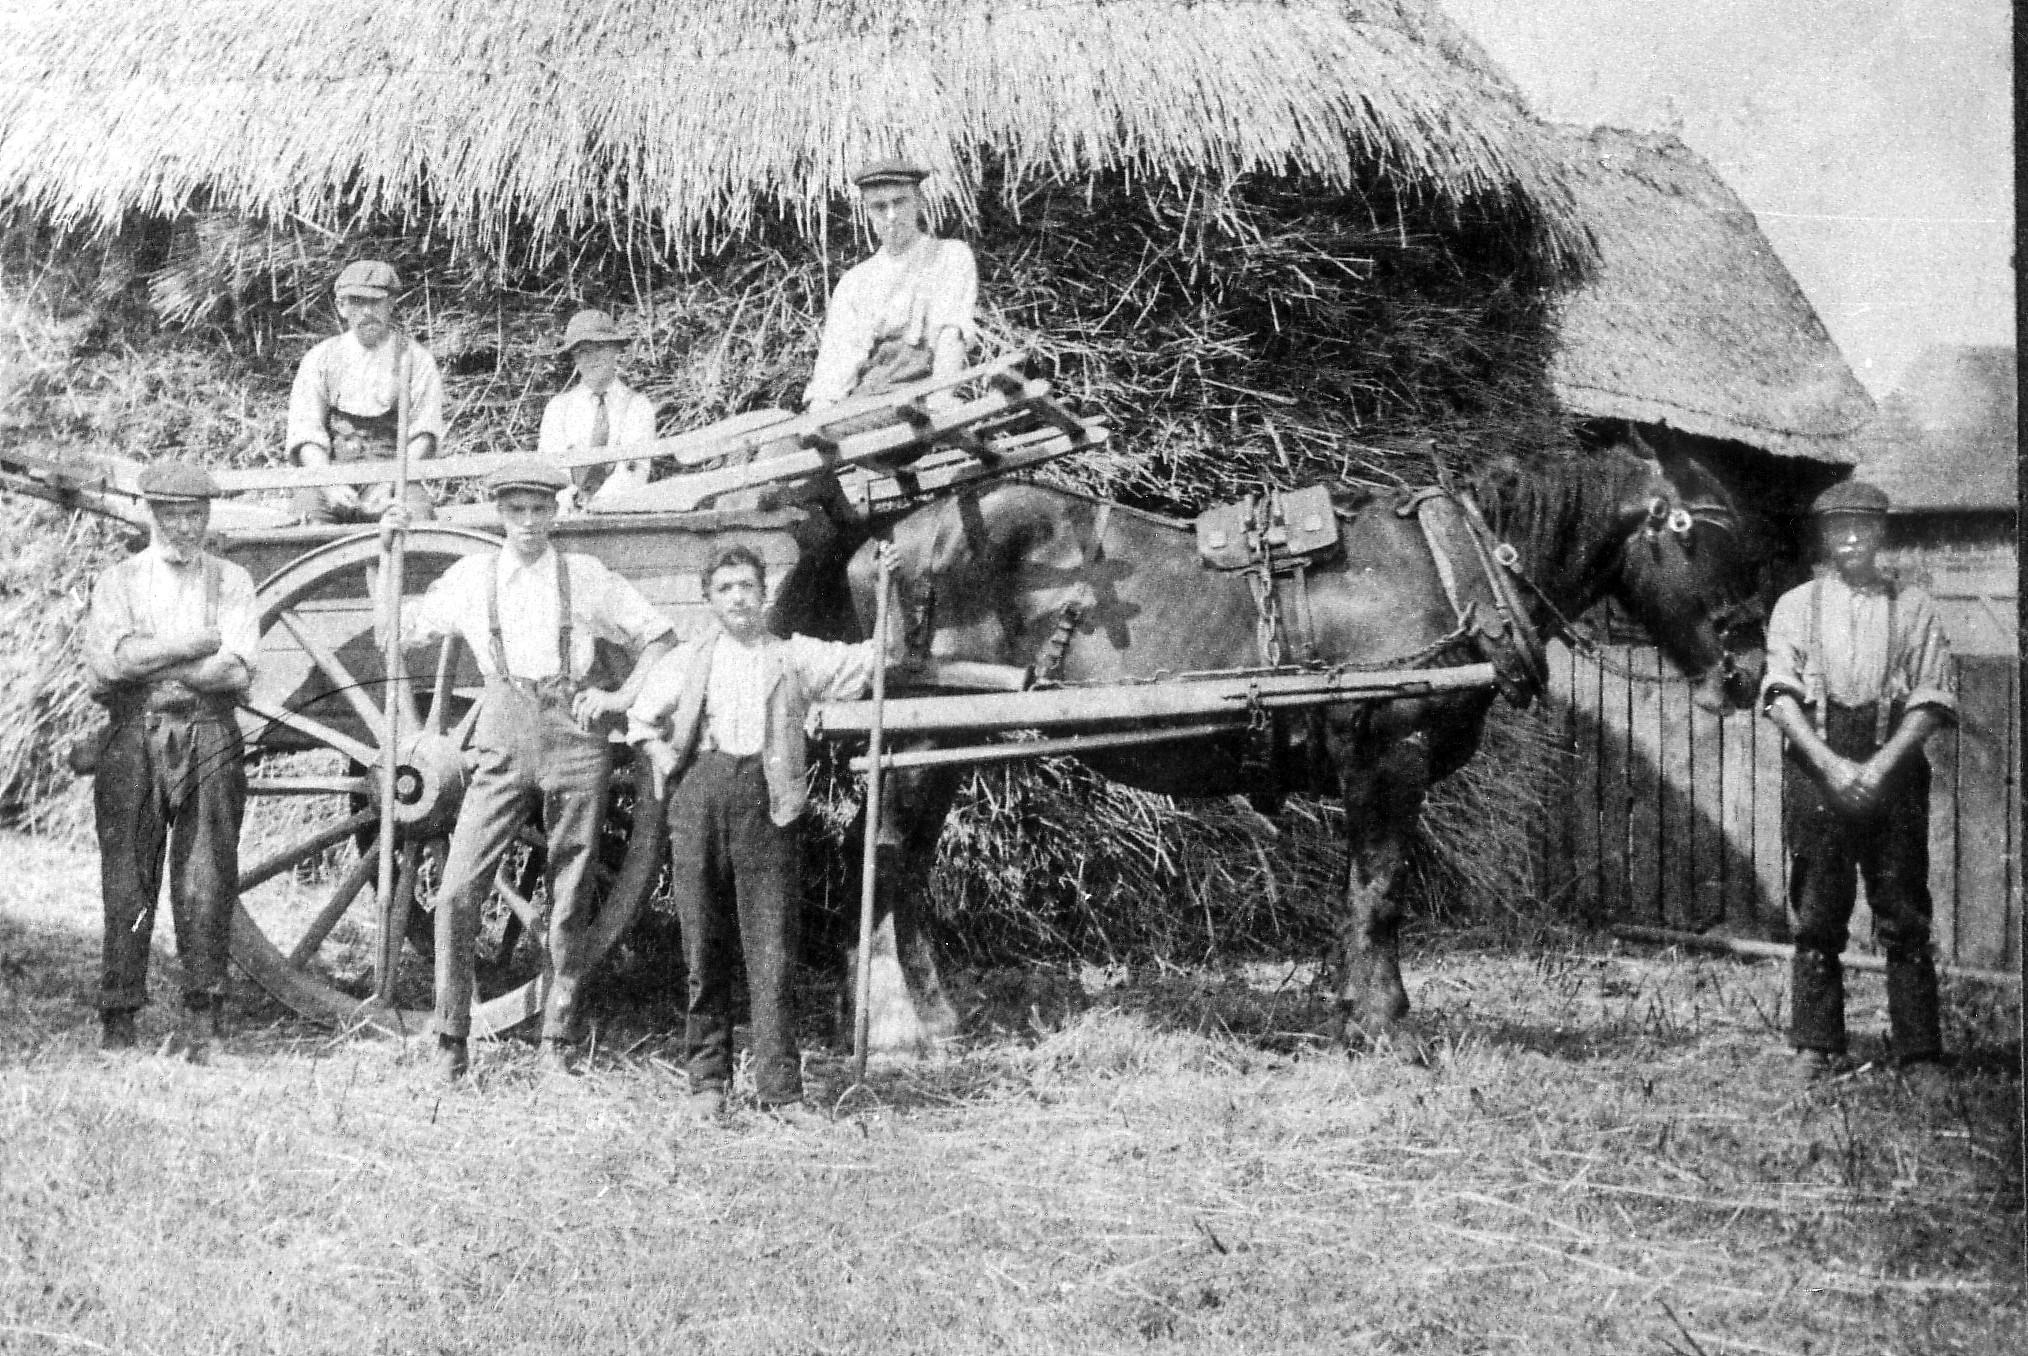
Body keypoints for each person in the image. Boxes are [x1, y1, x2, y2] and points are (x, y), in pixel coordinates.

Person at [385, 457, 677, 1079]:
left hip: (575, 736)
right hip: (502, 730)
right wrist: (390, 550)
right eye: (516, 511)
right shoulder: (471, 577)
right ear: (500, 514)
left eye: (540, 510)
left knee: (571, 891)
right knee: (459, 886)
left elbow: (658, 635)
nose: (528, 524)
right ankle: (450, 1038)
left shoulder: (587, 576)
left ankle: (558, 1041)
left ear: (556, 512)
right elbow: (400, 633)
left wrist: (623, 699)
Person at [626, 540, 906, 1123]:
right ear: (709, 600)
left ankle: (781, 1091)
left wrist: (889, 590)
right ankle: (707, 1083)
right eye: (725, 589)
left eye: (747, 587)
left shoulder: (792, 655)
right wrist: (664, 760)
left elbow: (878, 657)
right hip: (699, 798)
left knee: (772, 952)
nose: (738, 599)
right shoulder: (687, 660)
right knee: (703, 946)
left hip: (769, 804)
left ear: (764, 593)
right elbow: (639, 723)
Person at [1761, 479, 1956, 1089]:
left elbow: (1931, 699)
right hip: (1818, 770)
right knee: (1818, 908)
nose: (1850, 537)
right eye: (1838, 527)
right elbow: (1780, 696)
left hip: (1892, 771)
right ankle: (1817, 1046)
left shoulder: (1916, 607)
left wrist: (1879, 766)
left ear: (1880, 533)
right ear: (1823, 537)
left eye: (1863, 526)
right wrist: (1832, 764)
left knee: (1901, 907)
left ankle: (1920, 1053)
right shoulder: (1795, 605)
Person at [84, 461, 259, 1061]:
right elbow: (111, 667)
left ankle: (204, 1016)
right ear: (149, 516)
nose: (186, 528)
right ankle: (120, 1015)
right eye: (173, 515)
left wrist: (152, 657)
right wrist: (192, 648)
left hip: (210, 733)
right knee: (128, 877)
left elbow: (234, 669)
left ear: (208, 518)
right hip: (133, 734)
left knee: (206, 875)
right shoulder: (118, 582)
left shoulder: (232, 581)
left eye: (196, 515)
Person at [803, 157, 979, 416]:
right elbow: (837, 361)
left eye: (900, 202)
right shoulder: (856, 282)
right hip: (864, 402)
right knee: (782, 437)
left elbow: (951, 332)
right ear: (867, 212)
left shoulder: (949, 256)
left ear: (919, 201)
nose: (892, 216)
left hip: (913, 403)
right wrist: (817, 417)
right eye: (879, 207)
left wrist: (942, 396)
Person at [285, 259, 445, 524]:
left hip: (395, 476)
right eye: (357, 302)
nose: (367, 312)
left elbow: (424, 434)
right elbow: (306, 432)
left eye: (376, 302)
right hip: (335, 477)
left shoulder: (415, 359)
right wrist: (329, 483)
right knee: (305, 521)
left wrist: (390, 483)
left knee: (416, 518)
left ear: (391, 304)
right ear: (342, 307)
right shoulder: (320, 359)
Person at [536, 308, 658, 511]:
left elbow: (634, 471)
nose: (592, 359)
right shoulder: (559, 408)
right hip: (566, 513)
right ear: (574, 358)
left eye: (600, 348)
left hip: (619, 511)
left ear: (615, 350)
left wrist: (598, 505)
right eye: (582, 352)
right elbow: (551, 467)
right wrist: (567, 499)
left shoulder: (638, 407)